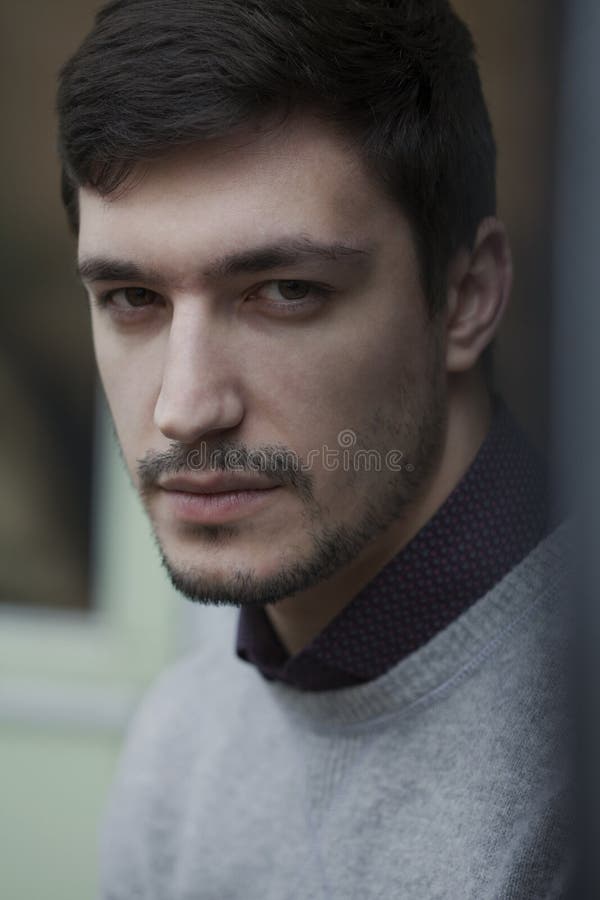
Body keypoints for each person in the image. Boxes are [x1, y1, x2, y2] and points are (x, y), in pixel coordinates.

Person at [57, 1, 573, 896]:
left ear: (468, 298)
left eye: (284, 291)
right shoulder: (180, 744)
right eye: (133, 299)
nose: (186, 409)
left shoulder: (571, 786)